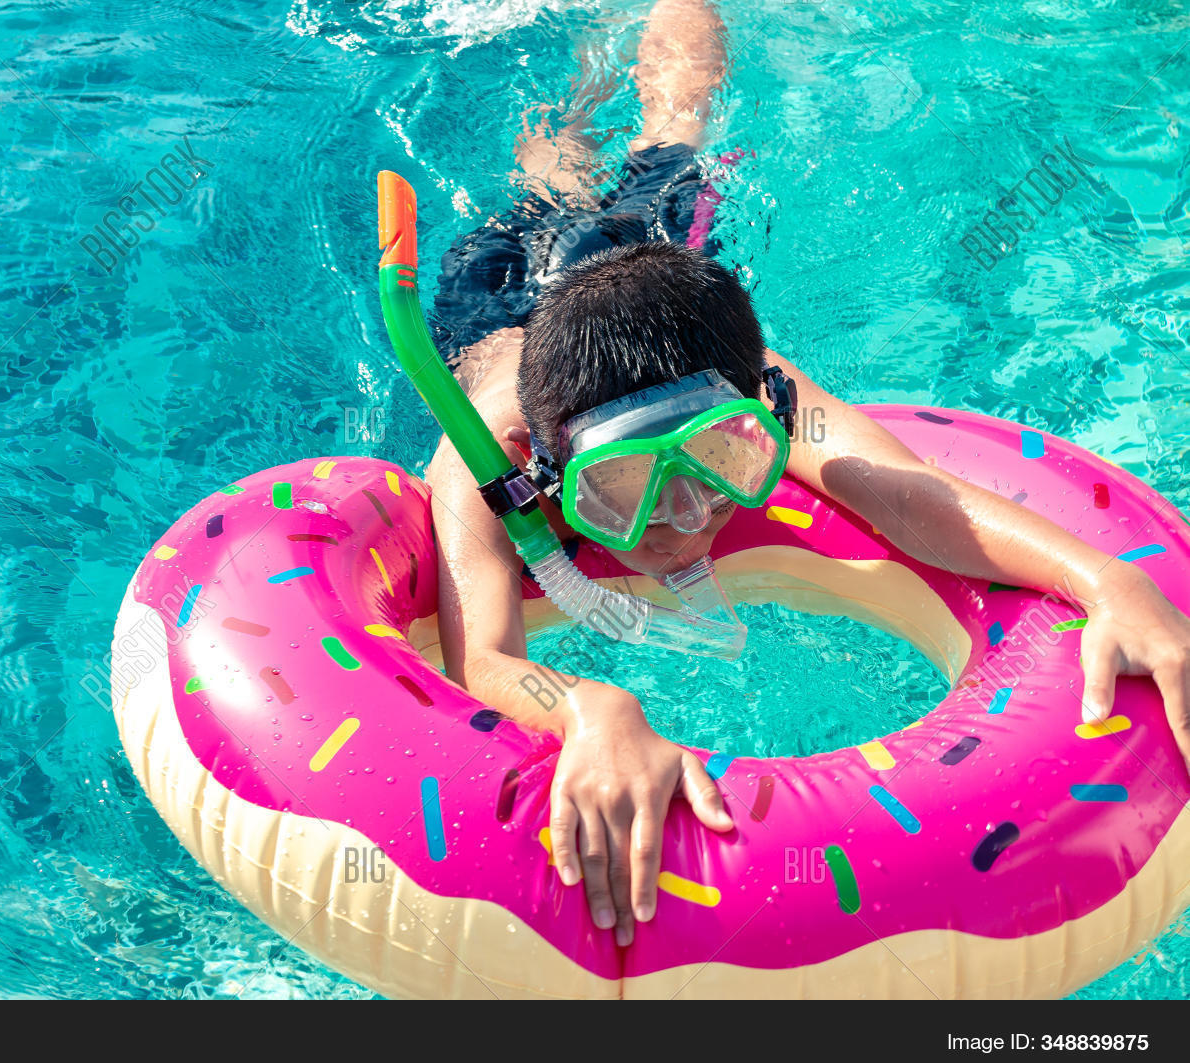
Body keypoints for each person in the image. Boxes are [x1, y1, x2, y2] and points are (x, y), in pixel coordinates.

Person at [423, 0, 1190, 950]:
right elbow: (482, 658)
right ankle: (576, 97)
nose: (683, 522)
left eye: (718, 464)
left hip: (651, 268)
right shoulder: (484, 456)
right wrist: (588, 703)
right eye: (621, 490)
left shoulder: (753, 388)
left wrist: (1108, 581)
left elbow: (909, 494)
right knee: (551, 177)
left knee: (674, 136)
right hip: (503, 296)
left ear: (763, 419)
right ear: (545, 467)